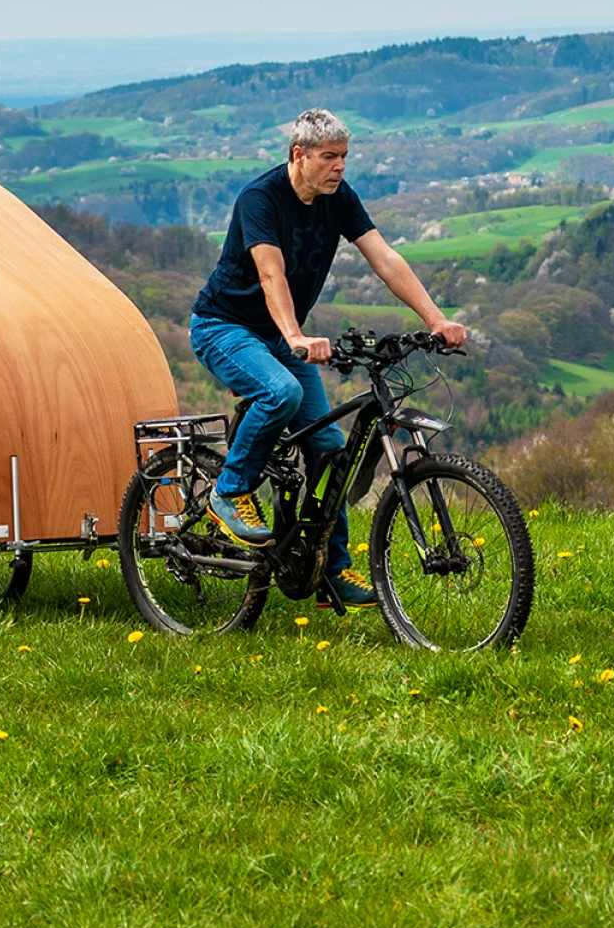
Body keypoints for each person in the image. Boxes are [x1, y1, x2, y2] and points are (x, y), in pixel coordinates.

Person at [189, 107, 467, 609]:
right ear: (299, 156)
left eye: (344, 156)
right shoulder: (260, 199)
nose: (340, 167)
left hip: (280, 336)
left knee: (328, 448)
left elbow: (384, 258)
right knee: (281, 391)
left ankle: (329, 571)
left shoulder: (339, 200)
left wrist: (436, 320)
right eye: (329, 157)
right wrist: (295, 334)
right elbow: (271, 274)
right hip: (225, 327)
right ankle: (229, 490)